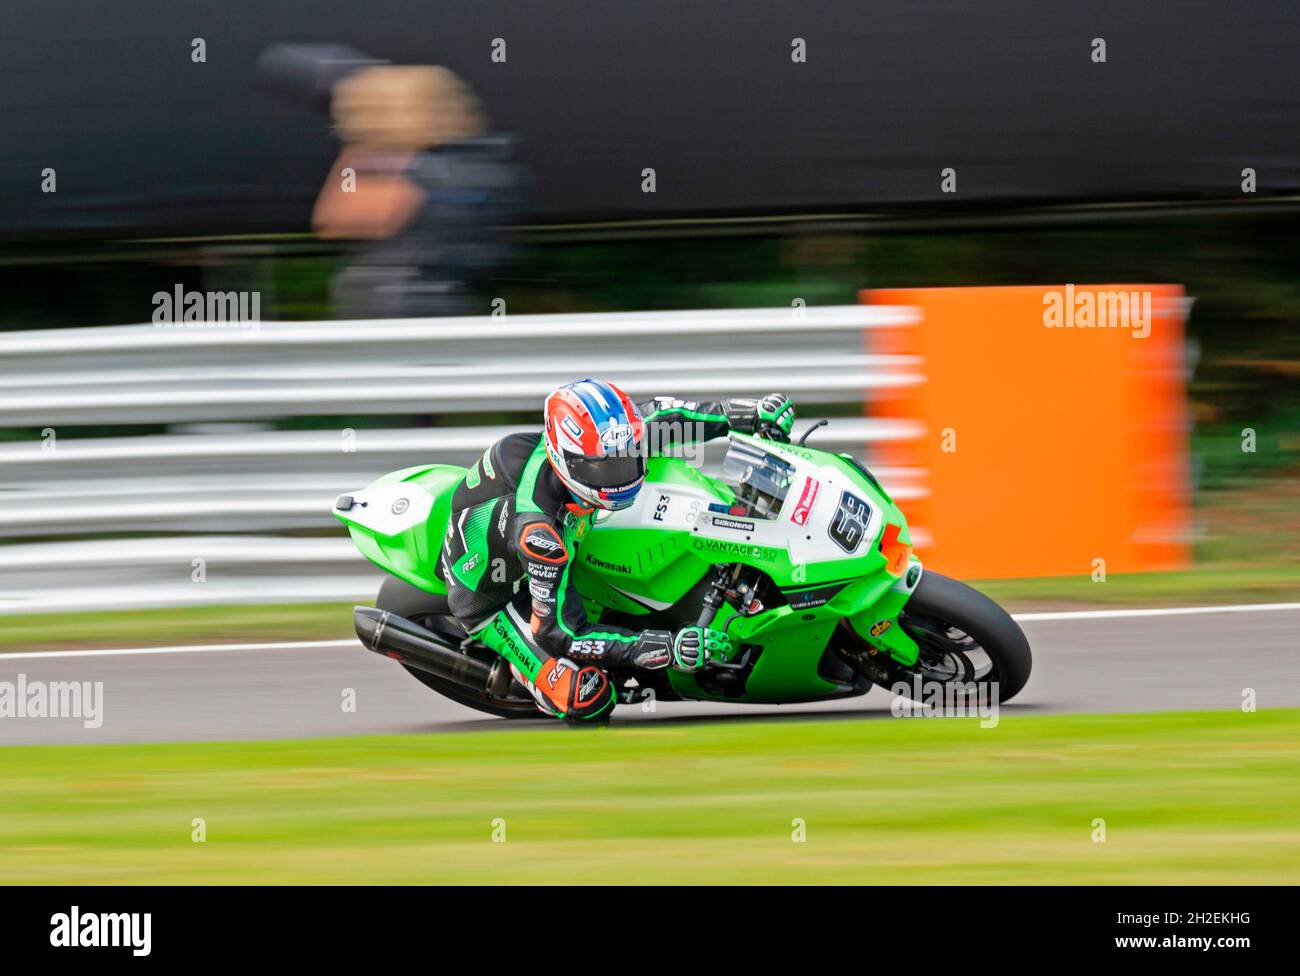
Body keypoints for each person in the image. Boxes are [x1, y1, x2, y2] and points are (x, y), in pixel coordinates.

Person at [441, 379, 796, 722]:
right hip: (495, 598)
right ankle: (529, 674)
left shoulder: (598, 444)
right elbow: (562, 633)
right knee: (589, 697)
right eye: (605, 465)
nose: (621, 471)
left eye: (625, 456)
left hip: (544, 535)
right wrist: (667, 647)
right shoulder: (540, 534)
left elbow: (667, 418)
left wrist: (748, 414)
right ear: (567, 460)